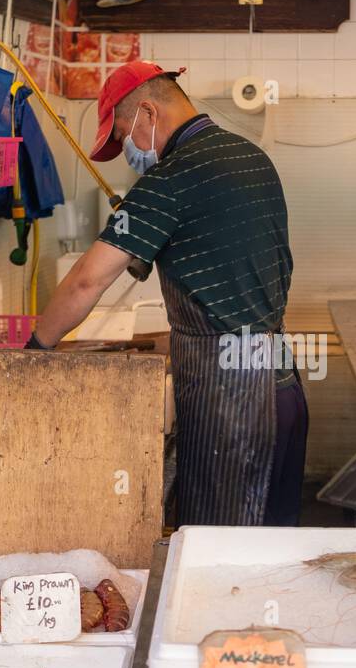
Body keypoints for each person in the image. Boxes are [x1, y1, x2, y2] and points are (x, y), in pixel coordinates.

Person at [26, 61, 308, 527]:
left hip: (232, 405)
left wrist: (35, 349)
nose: (128, 151)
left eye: (124, 135)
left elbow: (86, 280)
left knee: (217, 557)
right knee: (270, 553)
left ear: (148, 114)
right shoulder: (250, 157)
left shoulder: (169, 179)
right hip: (282, 390)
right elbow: (223, 248)